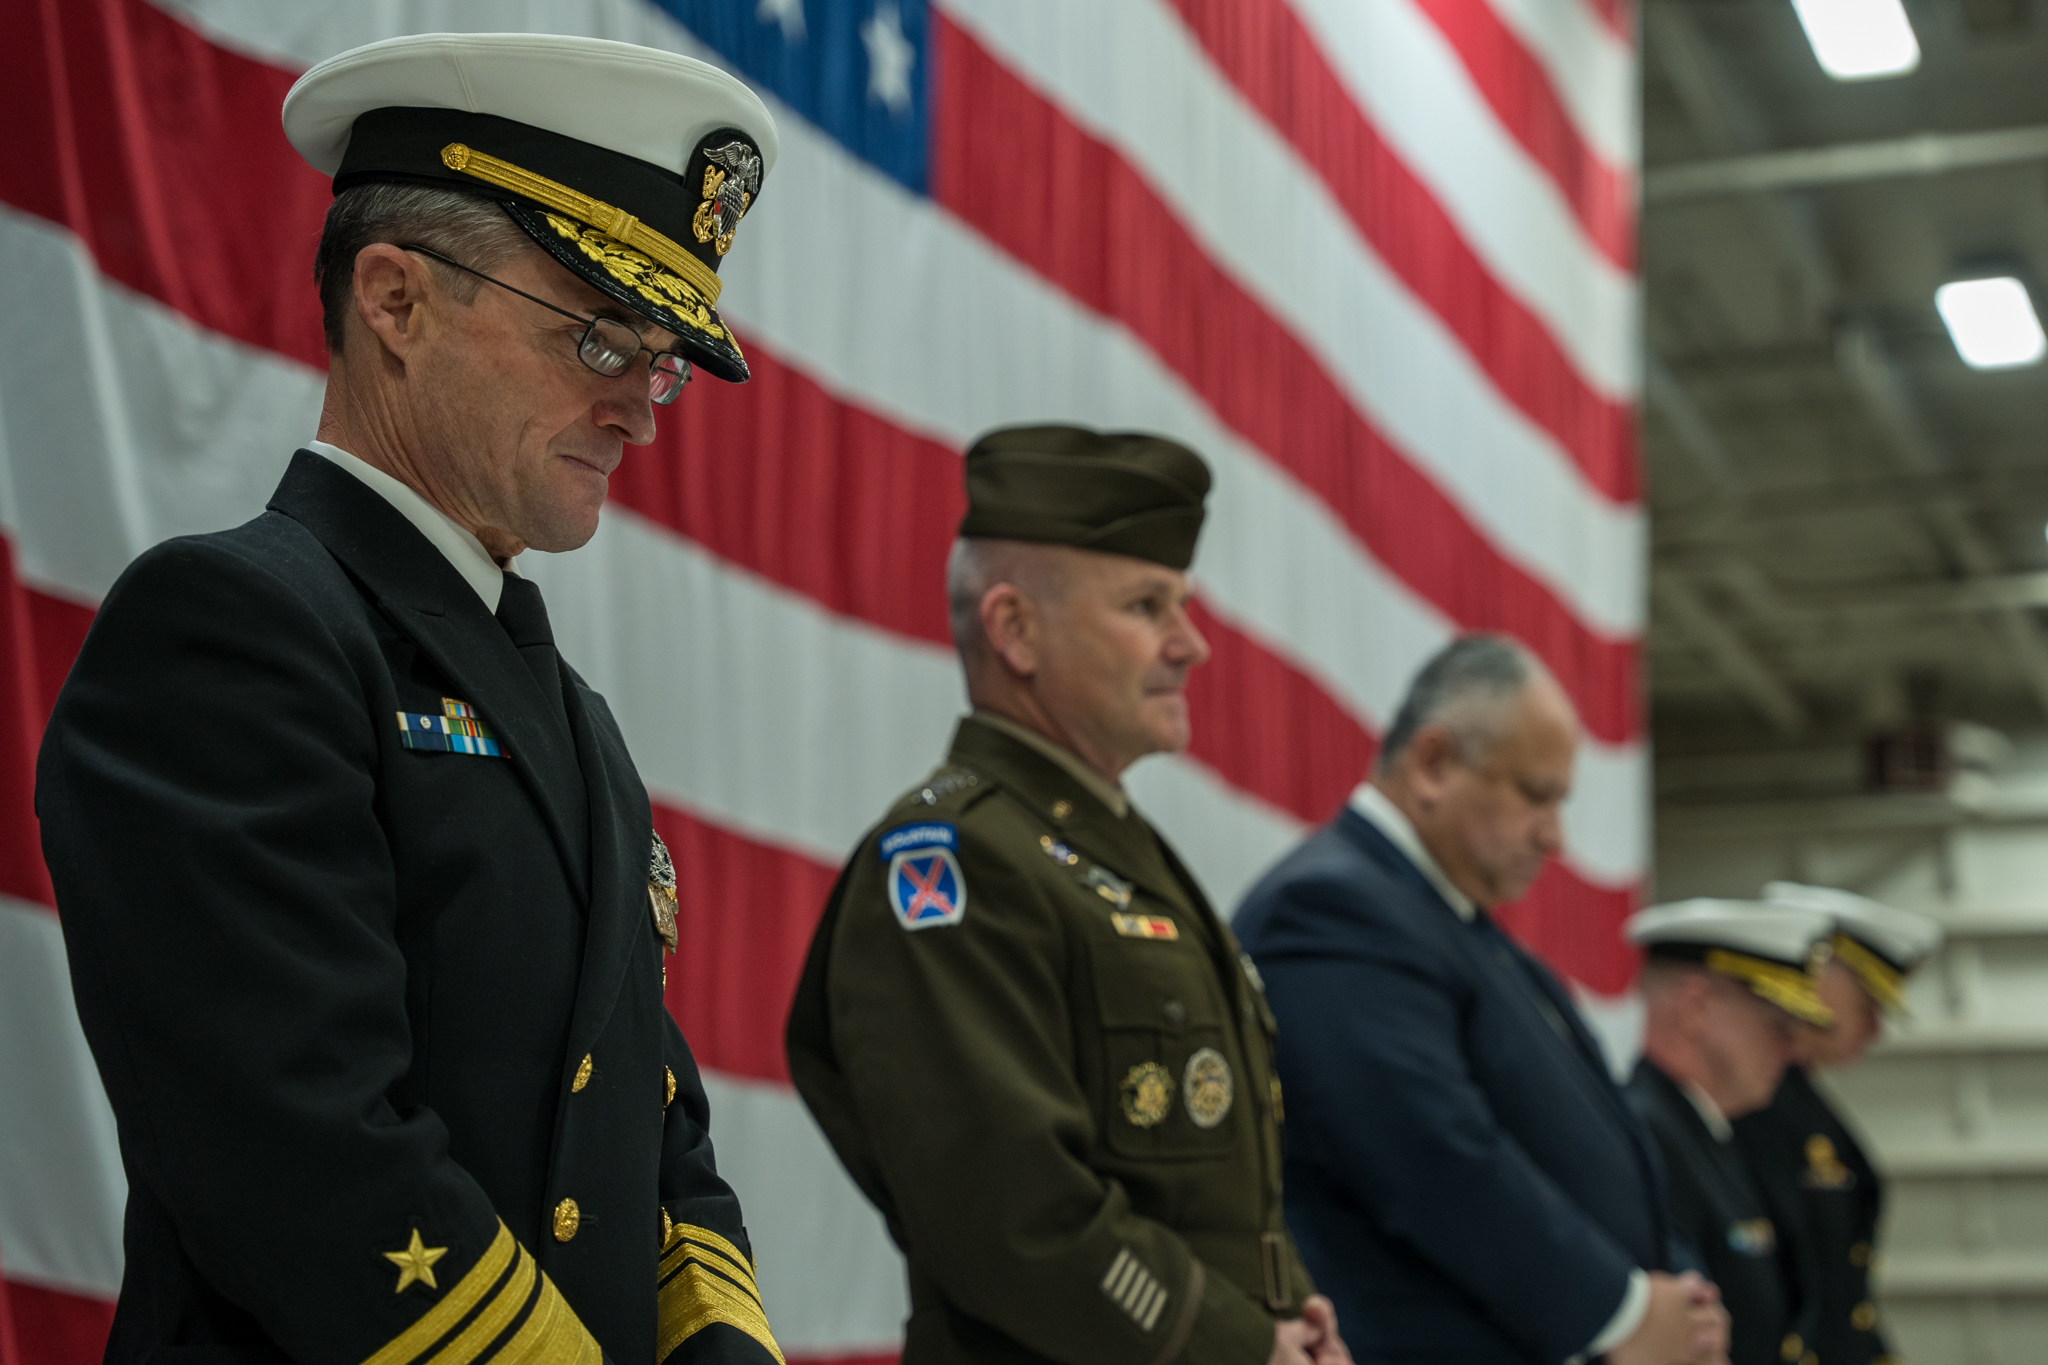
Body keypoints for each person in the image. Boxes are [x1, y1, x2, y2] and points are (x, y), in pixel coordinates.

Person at [37, 33, 784, 1365]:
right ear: (395, 298)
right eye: (599, 334)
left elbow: (655, 1141)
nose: (640, 409)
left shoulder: (576, 721)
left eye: (658, 356)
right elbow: (298, 1145)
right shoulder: (235, 632)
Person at [787, 426, 1348, 1365]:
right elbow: (1008, 1212)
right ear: (1014, 630)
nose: (1193, 643)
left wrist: (1283, 1306)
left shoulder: (1107, 855)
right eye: (1146, 604)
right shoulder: (955, 863)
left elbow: (1203, 1184)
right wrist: (1236, 1342)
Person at [1234, 635, 1728, 1365]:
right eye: (1536, 794)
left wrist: (1676, 1294)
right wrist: (1621, 1313)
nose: (1554, 836)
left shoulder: (1457, 928)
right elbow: (1431, 1156)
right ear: (1433, 763)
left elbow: (1594, 1139)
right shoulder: (1332, 907)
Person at [1735, 883, 1940, 1365]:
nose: (1876, 1029)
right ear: (1817, 974)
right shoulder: (1754, 1104)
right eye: (1868, 1002)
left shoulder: (1797, 1099)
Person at [1626, 901, 1838, 1365]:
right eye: (1777, 1025)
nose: (1790, 1049)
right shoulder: (1646, 1139)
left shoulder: (1708, 1132)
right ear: (1696, 1007)